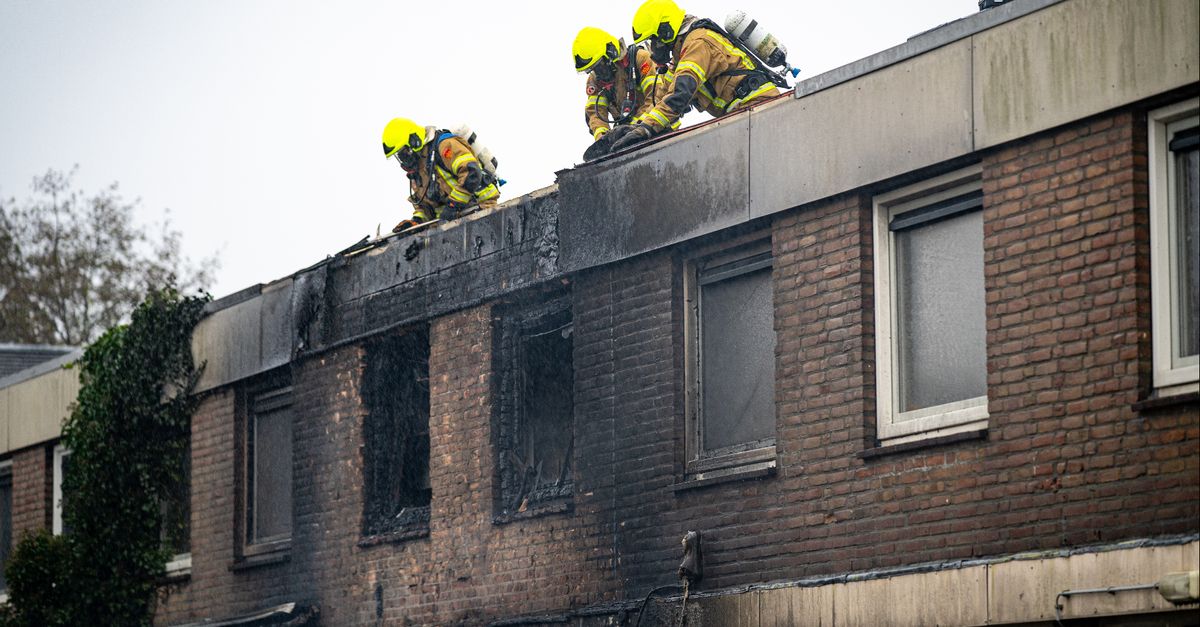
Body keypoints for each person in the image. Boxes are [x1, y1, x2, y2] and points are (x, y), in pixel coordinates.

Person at [609, 0, 782, 153]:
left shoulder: (697, 44)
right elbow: (661, 98)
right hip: (745, 112)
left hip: (760, 107)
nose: (653, 47)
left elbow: (680, 93)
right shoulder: (681, 54)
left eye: (654, 40)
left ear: (666, 31)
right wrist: (635, 127)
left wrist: (646, 129)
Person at [572, 26, 675, 160]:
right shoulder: (595, 80)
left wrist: (633, 128)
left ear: (610, 53)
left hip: (660, 131)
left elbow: (656, 98)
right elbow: (595, 114)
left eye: (598, 65)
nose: (598, 72)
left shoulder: (640, 59)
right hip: (627, 144)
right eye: (591, 69)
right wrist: (603, 140)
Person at [381, 117, 500, 232]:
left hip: (482, 210)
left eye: (403, 152)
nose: (403, 159)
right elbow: (425, 207)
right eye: (399, 156)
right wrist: (416, 223)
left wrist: (453, 205)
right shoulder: (418, 171)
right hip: (453, 225)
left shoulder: (445, 146)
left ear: (414, 141)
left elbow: (471, 174)